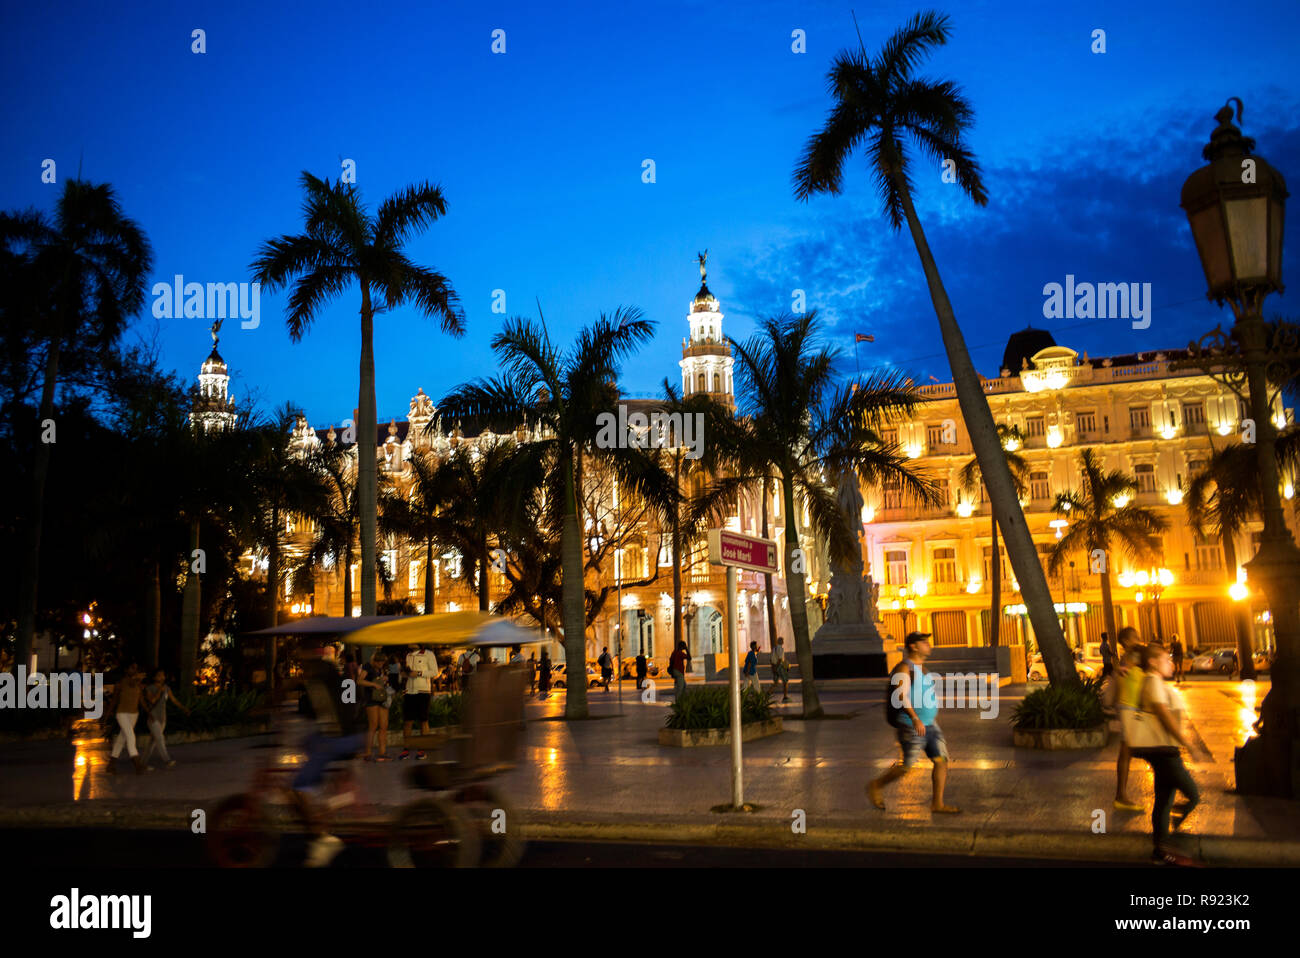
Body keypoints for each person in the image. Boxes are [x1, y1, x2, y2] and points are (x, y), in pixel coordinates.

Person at [292, 646, 368, 867]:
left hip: (337, 738)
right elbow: (350, 702)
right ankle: (330, 797)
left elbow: (312, 707)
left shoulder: (319, 675)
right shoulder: (339, 674)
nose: (301, 665)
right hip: (352, 735)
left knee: (298, 786)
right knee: (308, 745)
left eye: (303, 660)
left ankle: (323, 839)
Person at [868, 632, 959, 814]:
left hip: (930, 725)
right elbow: (901, 695)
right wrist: (915, 718)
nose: (928, 645)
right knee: (906, 767)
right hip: (911, 725)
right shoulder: (904, 668)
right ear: (913, 646)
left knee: (941, 761)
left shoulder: (922, 668)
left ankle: (937, 804)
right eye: (924, 642)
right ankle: (876, 785)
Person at [1126, 644, 1201, 865]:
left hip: (1162, 750)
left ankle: (1160, 848)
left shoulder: (1154, 681)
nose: (1170, 662)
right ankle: (1172, 838)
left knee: (1163, 799)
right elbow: (1164, 716)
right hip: (1165, 750)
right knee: (1193, 794)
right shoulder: (1153, 681)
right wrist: (1188, 743)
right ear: (1152, 662)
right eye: (1165, 659)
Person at [1113, 626, 1146, 812]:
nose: (1138, 639)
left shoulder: (1131, 657)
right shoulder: (1130, 657)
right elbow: (1127, 669)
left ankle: (1121, 795)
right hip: (1128, 707)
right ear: (1125, 641)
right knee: (1126, 752)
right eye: (1135, 637)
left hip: (1131, 707)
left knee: (1127, 752)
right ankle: (1121, 796)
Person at [141, 669, 191, 768]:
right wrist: (160, 691)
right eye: (159, 675)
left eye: (163, 675)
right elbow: (152, 701)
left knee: (152, 742)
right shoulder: (149, 688)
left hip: (162, 718)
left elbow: (173, 700)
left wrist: (184, 708)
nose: (161, 677)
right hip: (153, 717)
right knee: (160, 739)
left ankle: (142, 763)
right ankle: (167, 760)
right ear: (154, 677)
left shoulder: (167, 688)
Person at [108, 663, 151, 774]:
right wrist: (107, 713)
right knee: (131, 737)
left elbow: (141, 700)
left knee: (121, 739)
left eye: (136, 669)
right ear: (126, 670)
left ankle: (111, 765)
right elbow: (114, 700)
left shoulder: (138, 684)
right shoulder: (121, 683)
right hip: (122, 714)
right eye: (132, 668)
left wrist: (148, 712)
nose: (135, 670)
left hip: (134, 714)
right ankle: (137, 764)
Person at [400, 642, 438, 760]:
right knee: (407, 721)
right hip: (409, 691)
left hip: (423, 691)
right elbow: (404, 674)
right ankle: (406, 749)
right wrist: (404, 675)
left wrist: (419, 673)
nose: (408, 642)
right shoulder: (408, 656)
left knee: (423, 720)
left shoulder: (428, 654)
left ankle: (423, 750)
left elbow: (434, 672)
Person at [360, 651, 391, 761]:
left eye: (383, 662)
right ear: (375, 661)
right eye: (380, 662)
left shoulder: (381, 669)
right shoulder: (367, 667)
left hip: (381, 698)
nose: (381, 664)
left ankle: (382, 753)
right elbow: (359, 681)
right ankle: (367, 753)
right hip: (371, 699)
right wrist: (373, 684)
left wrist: (384, 679)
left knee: (383, 726)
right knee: (373, 726)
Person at [770, 636, 790, 702]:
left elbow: (771, 659)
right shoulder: (780, 649)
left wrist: (773, 667)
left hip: (774, 666)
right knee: (785, 681)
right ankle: (785, 697)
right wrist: (777, 667)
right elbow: (780, 659)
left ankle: (766, 695)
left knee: (775, 683)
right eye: (782, 640)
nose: (783, 642)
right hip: (780, 667)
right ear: (781, 642)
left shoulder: (774, 649)